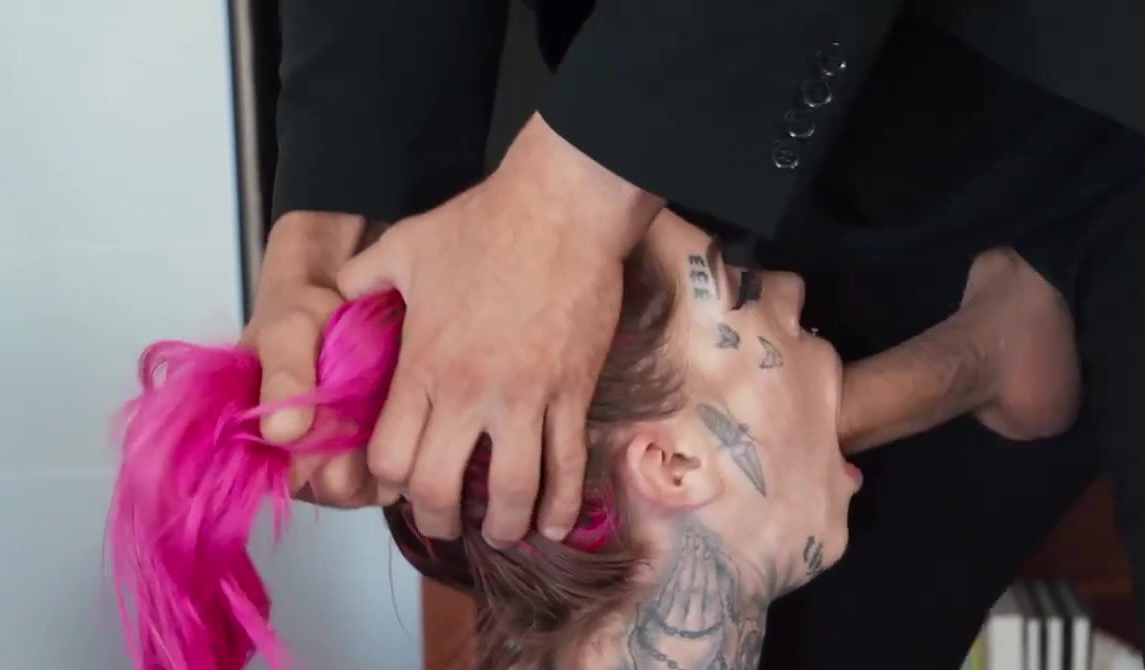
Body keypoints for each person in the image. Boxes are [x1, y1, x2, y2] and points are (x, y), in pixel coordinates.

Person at [248, 1, 1145, 665]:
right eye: (743, 288)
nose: (788, 286)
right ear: (672, 466)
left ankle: (984, 356)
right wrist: (336, 206)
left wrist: (567, 201)